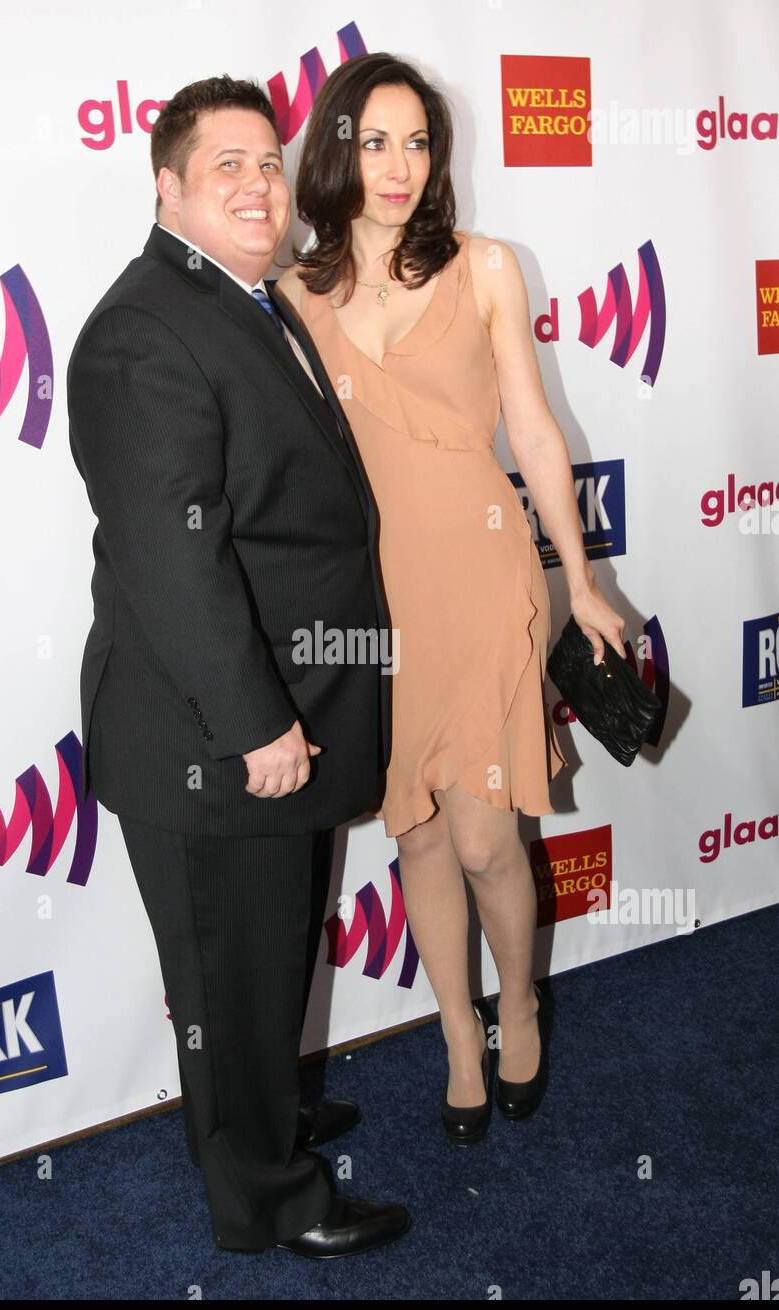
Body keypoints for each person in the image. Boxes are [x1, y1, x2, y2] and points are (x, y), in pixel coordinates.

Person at [66, 75, 410, 1256]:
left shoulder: (240, 299)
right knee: (232, 971)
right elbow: (176, 560)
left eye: (268, 161)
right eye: (227, 165)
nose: (260, 183)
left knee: (262, 962)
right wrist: (256, 723)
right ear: (165, 186)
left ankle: (265, 1110)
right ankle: (268, 1195)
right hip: (212, 737)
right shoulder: (143, 331)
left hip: (281, 709)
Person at [274, 53, 626, 1143]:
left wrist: (579, 574)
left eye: (417, 141)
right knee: (417, 838)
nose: (397, 165)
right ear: (335, 148)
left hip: (480, 580)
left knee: (483, 840)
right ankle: (455, 1038)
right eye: (373, 141)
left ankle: (516, 1001)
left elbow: (530, 429)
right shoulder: (295, 293)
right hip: (372, 605)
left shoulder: (482, 269)